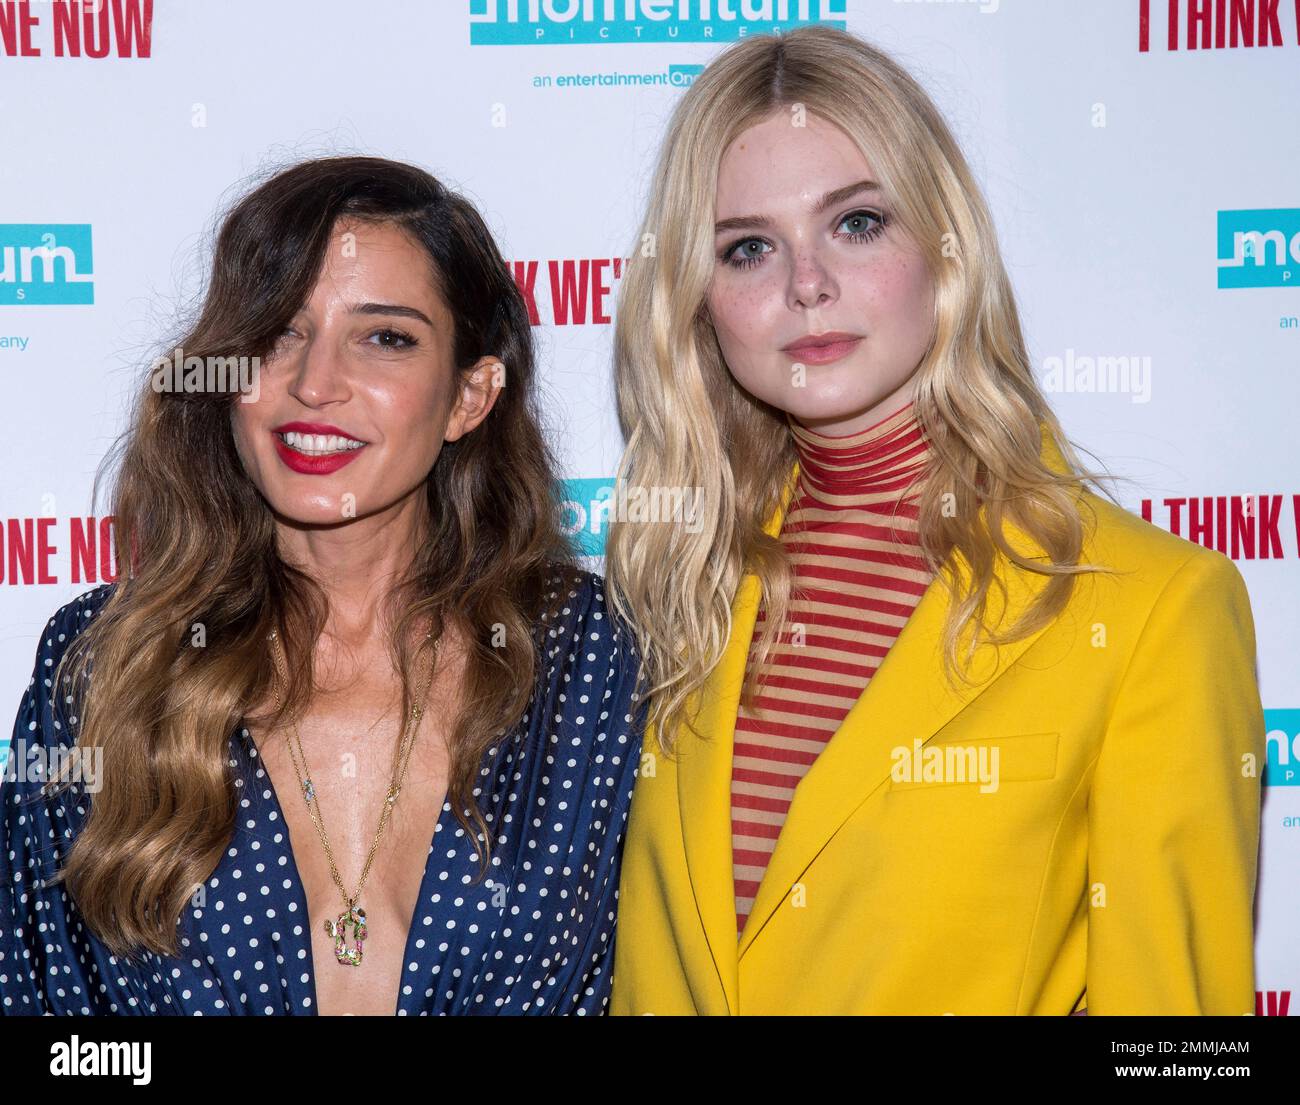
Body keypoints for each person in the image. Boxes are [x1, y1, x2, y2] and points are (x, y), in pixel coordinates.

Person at [604, 27, 1264, 1015]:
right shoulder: (679, 585)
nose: (806, 283)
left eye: (857, 223)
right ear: (698, 303)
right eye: (748, 247)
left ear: (945, 249)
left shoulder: (1149, 610)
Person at [0, 156, 644, 1016]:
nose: (313, 384)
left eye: (385, 337)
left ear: (470, 395)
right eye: (278, 333)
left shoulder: (590, 660)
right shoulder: (103, 668)